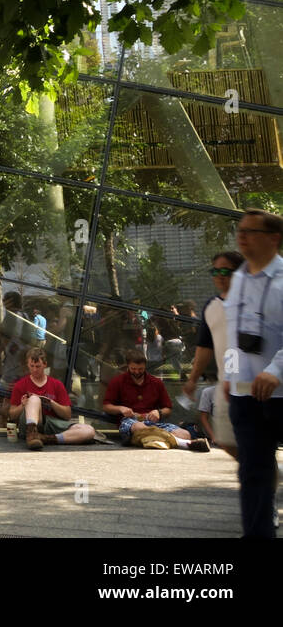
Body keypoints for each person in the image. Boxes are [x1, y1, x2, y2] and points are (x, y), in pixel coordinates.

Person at [222, 208, 283, 537]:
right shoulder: (240, 278)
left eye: (251, 231)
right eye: (240, 230)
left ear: (274, 239)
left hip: (281, 394)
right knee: (253, 476)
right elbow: (234, 338)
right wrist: (229, 377)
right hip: (245, 397)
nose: (242, 236)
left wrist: (276, 370)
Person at [182, 250, 245, 459]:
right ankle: (268, 474)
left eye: (225, 270)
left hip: (256, 384)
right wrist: (192, 379)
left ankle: (260, 479)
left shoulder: (252, 303)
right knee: (227, 441)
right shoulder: (211, 307)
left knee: (255, 441)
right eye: (215, 270)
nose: (219, 275)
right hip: (227, 385)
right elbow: (205, 348)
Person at [102, 349, 209, 451]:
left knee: (185, 434)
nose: (137, 372)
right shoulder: (118, 381)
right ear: (127, 366)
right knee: (139, 427)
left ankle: (157, 441)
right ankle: (182, 444)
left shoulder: (156, 383)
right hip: (130, 423)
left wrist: (159, 412)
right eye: (133, 369)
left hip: (153, 423)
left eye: (140, 369)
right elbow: (106, 406)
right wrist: (121, 409)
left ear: (145, 366)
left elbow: (168, 408)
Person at [8, 348, 96, 448]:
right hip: (28, 425)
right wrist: (23, 405)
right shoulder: (20, 385)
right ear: (27, 365)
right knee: (34, 399)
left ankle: (47, 438)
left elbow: (67, 415)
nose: (34, 370)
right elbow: (12, 415)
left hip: (51, 424)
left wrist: (52, 403)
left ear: (45, 365)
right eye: (31, 366)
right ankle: (32, 434)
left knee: (89, 431)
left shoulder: (56, 384)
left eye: (38, 366)